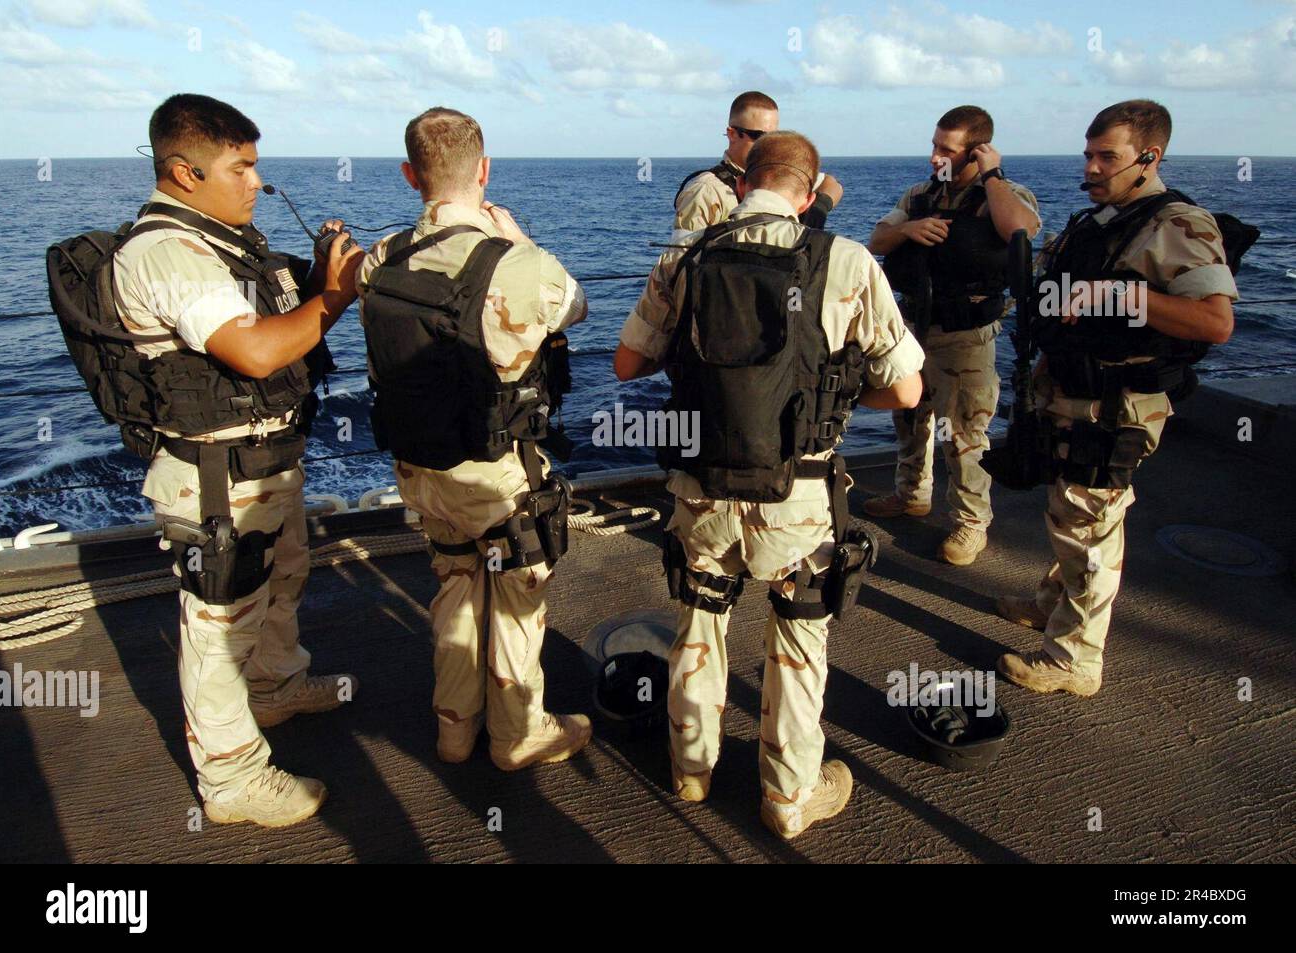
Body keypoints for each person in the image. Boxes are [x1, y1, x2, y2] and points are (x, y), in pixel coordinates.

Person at [616, 131, 924, 839]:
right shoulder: (844, 260)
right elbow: (907, 390)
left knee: (699, 622)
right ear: (809, 194)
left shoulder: (686, 254)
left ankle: (691, 769)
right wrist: (842, 402)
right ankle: (788, 797)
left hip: (702, 486)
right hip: (799, 493)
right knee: (797, 640)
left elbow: (629, 363)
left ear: (742, 179)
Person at [108, 94, 363, 826]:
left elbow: (278, 327)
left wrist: (319, 279)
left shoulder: (224, 240)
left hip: (264, 462)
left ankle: (276, 686)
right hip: (215, 478)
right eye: (241, 168)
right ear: (184, 173)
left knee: (281, 578)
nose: (257, 181)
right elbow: (253, 351)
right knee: (219, 627)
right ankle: (230, 780)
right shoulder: (167, 251)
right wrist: (337, 298)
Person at [357, 107, 592, 770]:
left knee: (456, 580)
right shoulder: (518, 264)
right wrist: (517, 239)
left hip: (420, 464)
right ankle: (518, 735)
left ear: (411, 175)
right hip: (496, 469)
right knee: (517, 596)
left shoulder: (381, 258)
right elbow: (574, 305)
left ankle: (454, 729)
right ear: (484, 171)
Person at [995, 99, 1238, 696]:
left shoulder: (1179, 224)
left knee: (1093, 523)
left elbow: (1215, 322)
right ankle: (1054, 600)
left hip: (1117, 405)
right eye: (1088, 154)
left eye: (1109, 156)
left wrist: (1121, 296)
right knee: (1070, 512)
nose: (1094, 166)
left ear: (1148, 157)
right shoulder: (1094, 224)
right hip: (1068, 392)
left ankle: (1075, 658)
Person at [865, 106, 1041, 566]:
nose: (934, 156)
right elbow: (877, 242)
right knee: (909, 418)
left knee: (962, 435)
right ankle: (911, 493)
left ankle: (970, 522)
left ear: (975, 152)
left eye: (946, 149)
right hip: (911, 328)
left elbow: (1019, 230)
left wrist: (994, 175)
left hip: (963, 337)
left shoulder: (1005, 194)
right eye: (934, 145)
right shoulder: (920, 195)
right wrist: (908, 228)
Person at [673, 90, 844, 233]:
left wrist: (819, 207)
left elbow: (831, 184)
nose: (769, 145)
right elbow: (680, 259)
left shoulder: (778, 177)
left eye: (774, 137)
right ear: (732, 134)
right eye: (759, 137)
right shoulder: (706, 191)